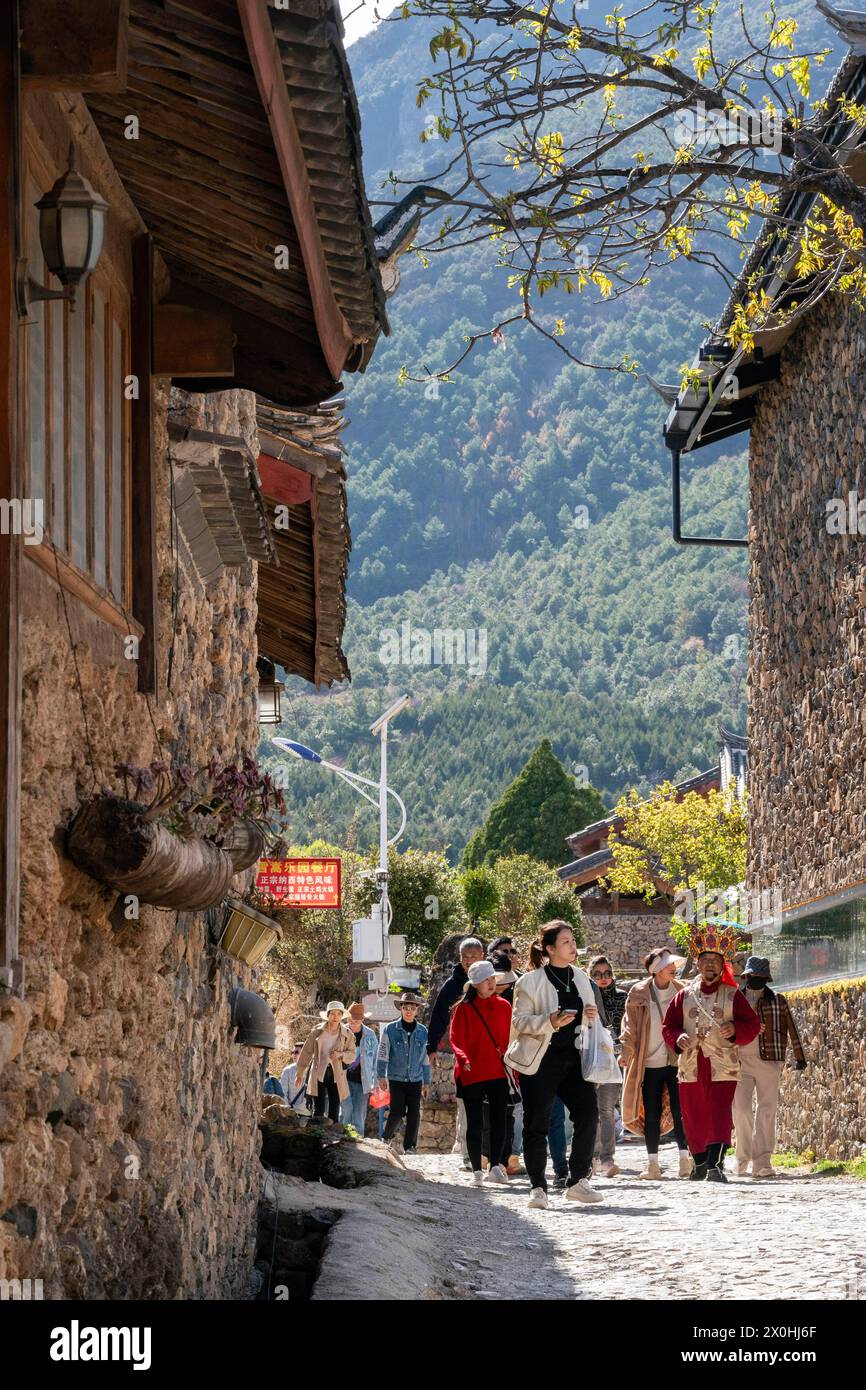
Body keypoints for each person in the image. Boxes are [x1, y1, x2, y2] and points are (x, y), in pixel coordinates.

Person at [506, 920, 603, 1210]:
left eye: (573, 941)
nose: (572, 947)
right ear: (550, 949)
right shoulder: (529, 982)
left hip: (574, 1059)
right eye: (565, 942)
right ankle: (538, 1186)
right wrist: (549, 1021)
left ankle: (577, 1181)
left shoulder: (582, 978)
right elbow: (518, 1021)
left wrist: (589, 1014)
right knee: (537, 1124)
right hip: (541, 1060)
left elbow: (590, 1019)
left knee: (589, 1113)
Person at [661, 927, 761, 1181]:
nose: (709, 966)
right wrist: (677, 1037)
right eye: (705, 961)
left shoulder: (733, 995)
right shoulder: (683, 996)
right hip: (691, 1063)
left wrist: (735, 1028)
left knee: (718, 1111)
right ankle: (701, 1162)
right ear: (697, 964)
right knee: (694, 1114)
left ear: (722, 965)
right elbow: (669, 1025)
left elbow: (751, 1024)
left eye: (715, 961)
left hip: (723, 1063)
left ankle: (716, 1165)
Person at [620, 948, 693, 1179]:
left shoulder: (683, 990)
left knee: (680, 1111)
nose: (674, 968)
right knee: (651, 1113)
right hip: (648, 1062)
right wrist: (626, 1051)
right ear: (656, 969)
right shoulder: (639, 992)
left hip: (676, 1060)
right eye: (668, 965)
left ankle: (684, 1160)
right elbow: (629, 1026)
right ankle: (653, 1164)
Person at [732, 956, 807, 1179]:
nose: (755, 979)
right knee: (741, 1110)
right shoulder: (735, 999)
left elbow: (792, 1028)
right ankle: (741, 1159)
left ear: (766, 978)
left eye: (760, 976)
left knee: (766, 1111)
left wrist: (799, 1055)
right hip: (740, 1059)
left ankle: (762, 1161)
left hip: (770, 1061)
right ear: (746, 976)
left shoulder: (779, 1000)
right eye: (752, 976)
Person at [449, 960, 514, 1187]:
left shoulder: (505, 1006)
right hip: (472, 1073)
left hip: (497, 1070)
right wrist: (463, 1058)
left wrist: (513, 1067)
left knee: (499, 1120)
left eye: (492, 978)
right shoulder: (463, 1009)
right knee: (475, 1122)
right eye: (486, 980)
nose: (491, 983)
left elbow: (509, 1040)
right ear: (475, 984)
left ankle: (495, 1165)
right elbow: (456, 1039)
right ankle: (477, 1169)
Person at [426, 936, 485, 1168]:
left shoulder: (490, 982)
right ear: (460, 959)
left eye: (474, 956)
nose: (469, 961)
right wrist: (432, 1046)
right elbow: (439, 1016)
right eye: (465, 957)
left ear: (482, 956)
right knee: (466, 1104)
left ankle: (487, 1154)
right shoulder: (453, 985)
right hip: (463, 1054)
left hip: (488, 1053)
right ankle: (468, 1154)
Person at [376, 993, 431, 1154]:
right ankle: (386, 1137)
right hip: (396, 1078)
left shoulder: (423, 1032)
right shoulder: (390, 1029)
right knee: (397, 1111)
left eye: (412, 1008)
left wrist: (426, 1082)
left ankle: (410, 1146)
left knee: (414, 1113)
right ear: (401, 1008)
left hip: (416, 1079)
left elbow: (425, 1059)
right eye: (405, 1008)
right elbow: (383, 1053)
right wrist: (381, 1076)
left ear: (416, 1011)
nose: (408, 1011)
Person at [588, 955, 627, 1178]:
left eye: (607, 974)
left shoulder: (623, 997)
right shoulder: (585, 998)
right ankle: (591, 1154)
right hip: (591, 1057)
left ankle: (607, 1157)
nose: (603, 978)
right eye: (598, 974)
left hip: (613, 1057)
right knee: (590, 1109)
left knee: (607, 1109)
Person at [294, 1002, 357, 1122]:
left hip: (337, 1073)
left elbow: (352, 1055)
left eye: (338, 1014)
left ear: (341, 1016)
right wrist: (300, 1073)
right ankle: (318, 1135)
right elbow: (306, 1052)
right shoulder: (317, 1031)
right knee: (318, 1108)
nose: (335, 1016)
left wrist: (340, 1054)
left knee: (334, 1107)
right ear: (328, 1015)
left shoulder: (347, 1034)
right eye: (332, 1013)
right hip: (319, 1072)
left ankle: (334, 1137)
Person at [340, 1003, 380, 1136]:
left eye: (356, 1021)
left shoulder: (370, 1035)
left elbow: (375, 1059)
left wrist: (376, 1082)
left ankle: (358, 1142)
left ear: (362, 1020)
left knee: (359, 1114)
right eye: (350, 1020)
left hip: (364, 1081)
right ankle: (343, 1139)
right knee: (345, 1111)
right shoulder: (341, 1031)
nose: (352, 1023)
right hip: (343, 1079)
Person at [280, 1042, 310, 1112]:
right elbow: (283, 1093)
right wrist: (288, 1111)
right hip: (294, 1112)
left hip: (310, 1113)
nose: (293, 1055)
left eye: (296, 1052)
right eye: (292, 1052)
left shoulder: (312, 1070)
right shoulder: (287, 1071)